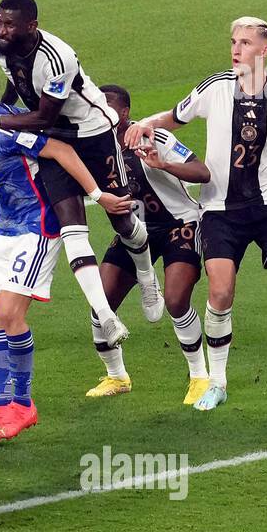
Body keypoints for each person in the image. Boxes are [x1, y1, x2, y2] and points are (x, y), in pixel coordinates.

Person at [124, 16, 267, 409]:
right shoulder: (215, 88)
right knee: (221, 292)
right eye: (233, 42)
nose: (236, 49)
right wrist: (144, 123)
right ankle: (218, 382)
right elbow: (175, 117)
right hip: (220, 209)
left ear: (265, 50)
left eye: (244, 43)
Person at [0, 59, 131, 447]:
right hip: (4, 228)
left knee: (8, 314)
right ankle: (3, 407)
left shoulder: (3, 130)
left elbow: (61, 150)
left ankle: (23, 403)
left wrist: (98, 196)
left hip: (36, 227)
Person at [0, 0, 166, 324]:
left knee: (120, 216)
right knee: (72, 227)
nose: (1, 30)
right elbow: (17, 79)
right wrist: (4, 107)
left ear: (32, 26)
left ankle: (146, 277)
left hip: (93, 134)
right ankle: (105, 316)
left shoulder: (57, 60)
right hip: (54, 138)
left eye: (10, 25)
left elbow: (44, 116)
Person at [84, 85, 212, 406]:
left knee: (176, 300)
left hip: (178, 225)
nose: (100, 112)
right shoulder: (93, 145)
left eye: (107, 107)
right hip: (134, 231)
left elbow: (202, 172)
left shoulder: (153, 137)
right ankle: (117, 376)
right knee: (100, 301)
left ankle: (199, 377)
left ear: (124, 113)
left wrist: (163, 165)